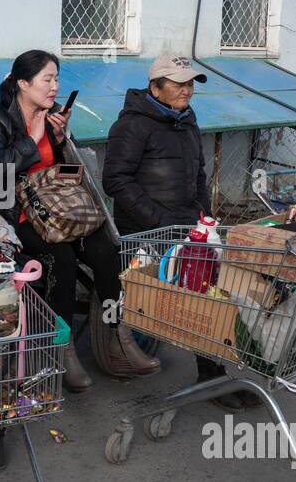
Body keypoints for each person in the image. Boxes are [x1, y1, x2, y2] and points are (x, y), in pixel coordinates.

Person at [0, 49, 158, 392]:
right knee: (60, 260)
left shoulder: (52, 117)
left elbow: (68, 172)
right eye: (47, 79)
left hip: (62, 210)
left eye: (57, 79)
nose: (54, 87)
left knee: (106, 251)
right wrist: (32, 138)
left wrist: (61, 141)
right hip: (18, 214)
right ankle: (63, 352)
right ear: (22, 83)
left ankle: (116, 335)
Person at [103, 55, 259, 413]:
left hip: (188, 227)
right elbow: (116, 180)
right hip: (150, 230)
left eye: (190, 84)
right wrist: (159, 220)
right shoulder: (132, 125)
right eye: (178, 83)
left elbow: (199, 173)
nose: (187, 90)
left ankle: (215, 373)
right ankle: (212, 376)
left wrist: (203, 215)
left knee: (211, 293)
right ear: (155, 87)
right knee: (200, 297)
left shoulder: (186, 121)